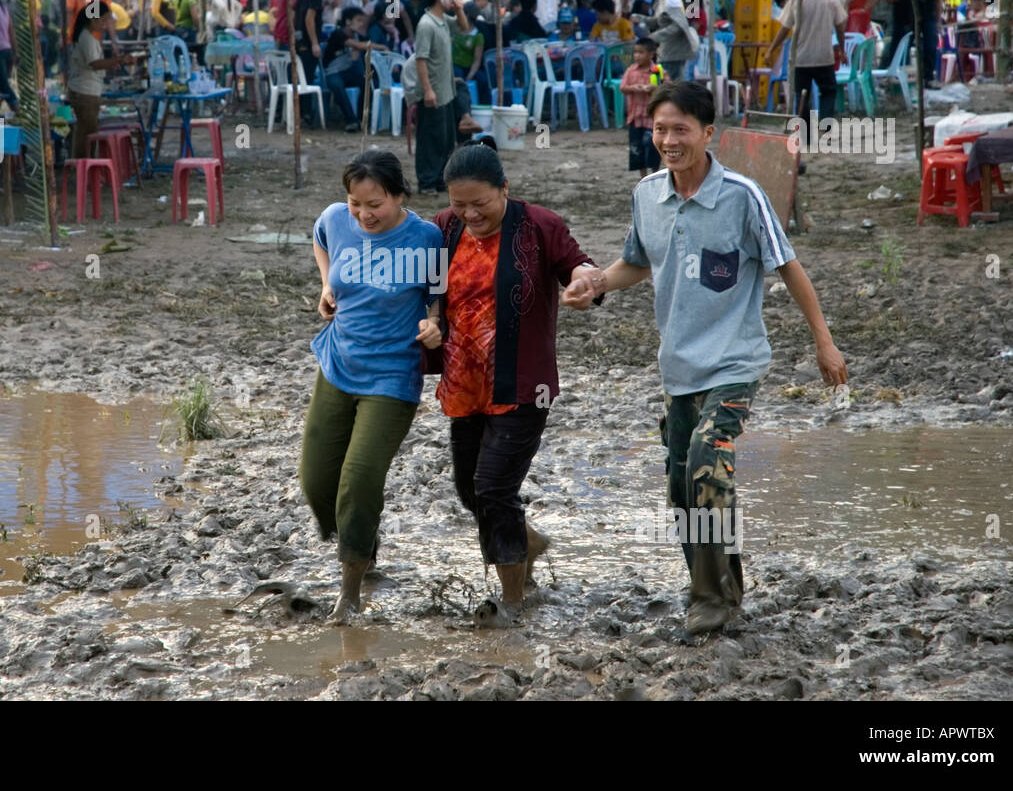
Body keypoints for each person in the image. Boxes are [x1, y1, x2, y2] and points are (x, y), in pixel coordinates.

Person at [563, 80, 847, 636]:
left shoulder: (742, 195)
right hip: (679, 368)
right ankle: (720, 589)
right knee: (680, 486)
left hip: (735, 363)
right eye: (660, 129)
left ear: (708, 134)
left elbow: (787, 265)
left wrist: (823, 340)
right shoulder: (647, 194)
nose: (668, 140)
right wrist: (595, 285)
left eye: (680, 130)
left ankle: (711, 599)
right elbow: (636, 264)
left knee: (705, 460)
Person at [431, 140, 604, 627]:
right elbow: (423, 289)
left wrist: (585, 282)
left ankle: (512, 598)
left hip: (524, 384)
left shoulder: (539, 226)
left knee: (492, 488)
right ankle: (529, 542)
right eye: (458, 204)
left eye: (479, 203)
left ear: (504, 189)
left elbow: (578, 264)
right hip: (465, 381)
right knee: (470, 490)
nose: (469, 214)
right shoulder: (443, 229)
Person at [299, 150, 443, 622]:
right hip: (337, 365)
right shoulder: (335, 220)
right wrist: (326, 285)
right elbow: (321, 242)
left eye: (375, 203)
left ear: (399, 195)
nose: (364, 214)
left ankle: (351, 586)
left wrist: (434, 324)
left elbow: (439, 298)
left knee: (358, 482)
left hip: (391, 377)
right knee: (317, 483)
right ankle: (364, 539)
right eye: (356, 203)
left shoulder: (426, 238)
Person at [407, 0, 467, 195]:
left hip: (446, 89)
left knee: (446, 137)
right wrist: (428, 89)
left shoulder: (442, 21)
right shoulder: (426, 24)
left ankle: (440, 178)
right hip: (432, 90)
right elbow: (421, 59)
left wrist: (459, 10)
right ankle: (426, 182)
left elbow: (463, 27)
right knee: (430, 138)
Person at [765, 0, 847, 125]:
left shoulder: (796, 1)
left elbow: (784, 29)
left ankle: (807, 135)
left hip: (800, 59)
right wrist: (842, 50)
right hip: (824, 57)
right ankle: (825, 127)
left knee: (802, 96)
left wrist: (770, 50)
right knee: (828, 92)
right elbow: (840, 27)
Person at [67, 6, 133, 162]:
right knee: (87, 132)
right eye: (103, 20)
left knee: (86, 130)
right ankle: (84, 165)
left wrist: (112, 62)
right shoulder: (86, 38)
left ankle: (85, 165)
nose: (104, 25)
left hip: (87, 89)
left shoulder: (86, 36)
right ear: (93, 19)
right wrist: (119, 60)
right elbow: (94, 63)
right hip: (85, 91)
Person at [322, 6, 374, 132]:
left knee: (366, 82)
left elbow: (360, 50)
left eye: (362, 21)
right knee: (336, 85)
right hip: (332, 72)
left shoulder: (358, 35)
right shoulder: (338, 34)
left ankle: (363, 118)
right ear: (348, 22)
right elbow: (361, 46)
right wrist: (383, 47)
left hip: (347, 72)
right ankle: (351, 120)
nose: (361, 24)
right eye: (358, 20)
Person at [621, 36, 666, 176]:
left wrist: (655, 88)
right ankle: (643, 178)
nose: (637, 56)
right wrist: (635, 87)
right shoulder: (631, 71)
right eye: (635, 52)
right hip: (635, 118)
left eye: (641, 52)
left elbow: (667, 89)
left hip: (652, 119)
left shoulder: (658, 71)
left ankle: (655, 175)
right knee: (637, 149)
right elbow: (623, 87)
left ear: (651, 54)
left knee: (653, 148)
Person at [641, 0, 695, 81]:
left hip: (672, 51)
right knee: (668, 83)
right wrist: (642, 19)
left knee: (662, 82)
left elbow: (678, 25)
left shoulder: (672, 0)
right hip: (668, 50)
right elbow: (661, 21)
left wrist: (654, 36)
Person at [452, 1, 488, 104]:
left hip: (469, 68)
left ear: (466, 15)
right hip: (454, 65)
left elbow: (477, 61)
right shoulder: (454, 30)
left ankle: (480, 106)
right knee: (457, 76)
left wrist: (469, 77)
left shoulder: (478, 36)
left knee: (482, 79)